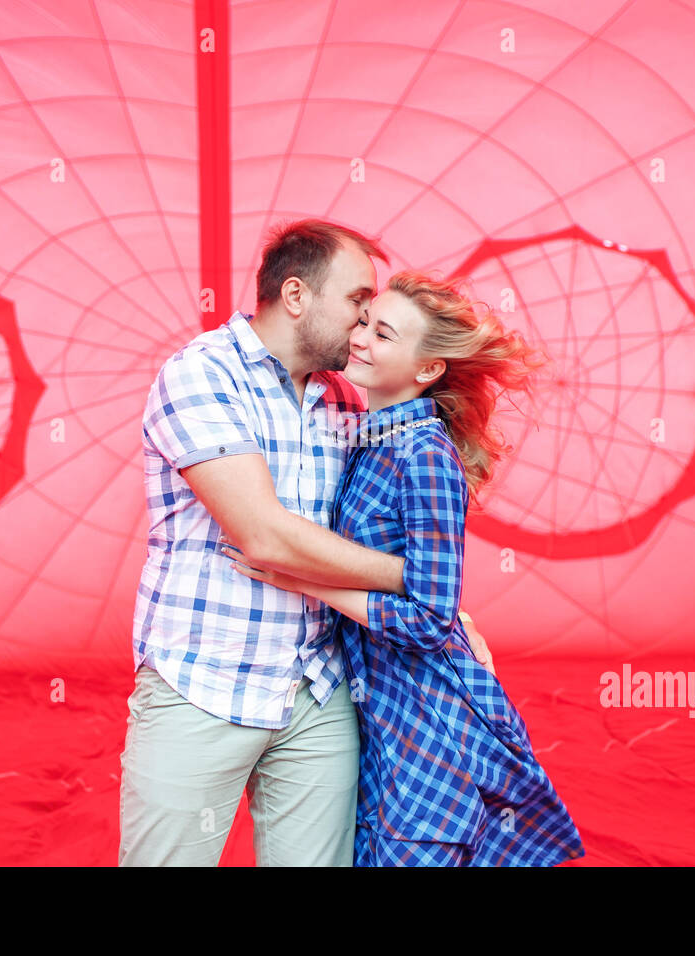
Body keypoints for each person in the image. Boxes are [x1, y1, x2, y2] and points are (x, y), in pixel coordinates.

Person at [119, 220, 495, 866]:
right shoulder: (201, 376)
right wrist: (416, 580)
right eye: (357, 302)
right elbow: (264, 537)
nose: (364, 323)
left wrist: (450, 613)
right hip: (203, 685)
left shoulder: (346, 403)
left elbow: (384, 524)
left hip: (317, 695)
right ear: (296, 296)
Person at [223, 270, 586, 866]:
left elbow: (429, 618)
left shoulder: (423, 455)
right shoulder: (370, 440)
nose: (360, 337)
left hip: (428, 719)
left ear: (427, 370)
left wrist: (305, 579)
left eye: (384, 334)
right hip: (378, 710)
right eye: (364, 321)